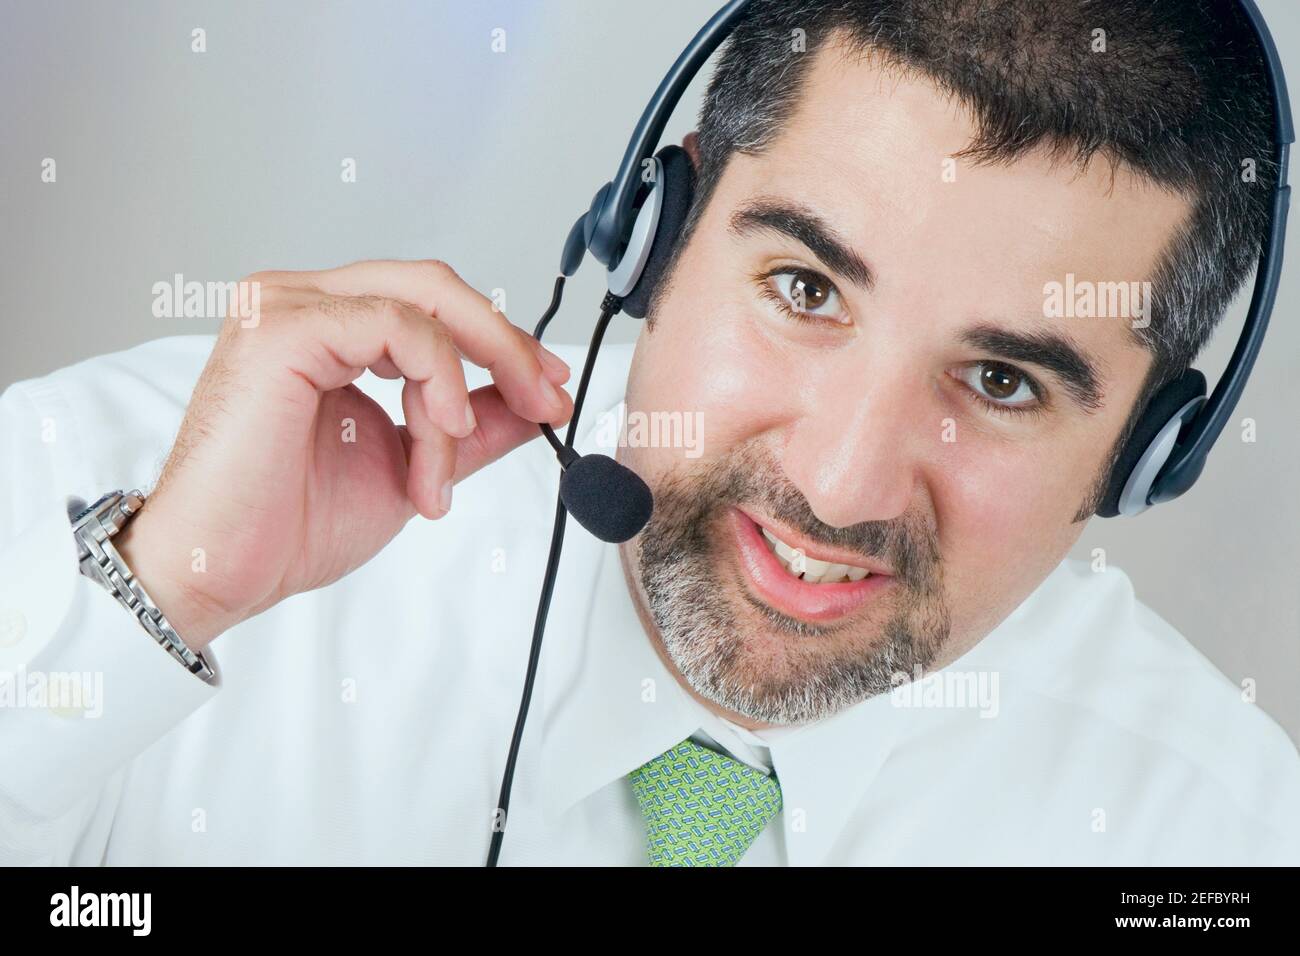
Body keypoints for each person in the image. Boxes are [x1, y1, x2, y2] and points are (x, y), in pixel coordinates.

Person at [1, 0, 1297, 866]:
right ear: (652, 238)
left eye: (1004, 382)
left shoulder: (1209, 831)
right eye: (805, 291)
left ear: (1143, 456)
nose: (841, 481)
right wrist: (161, 605)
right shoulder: (114, 495)